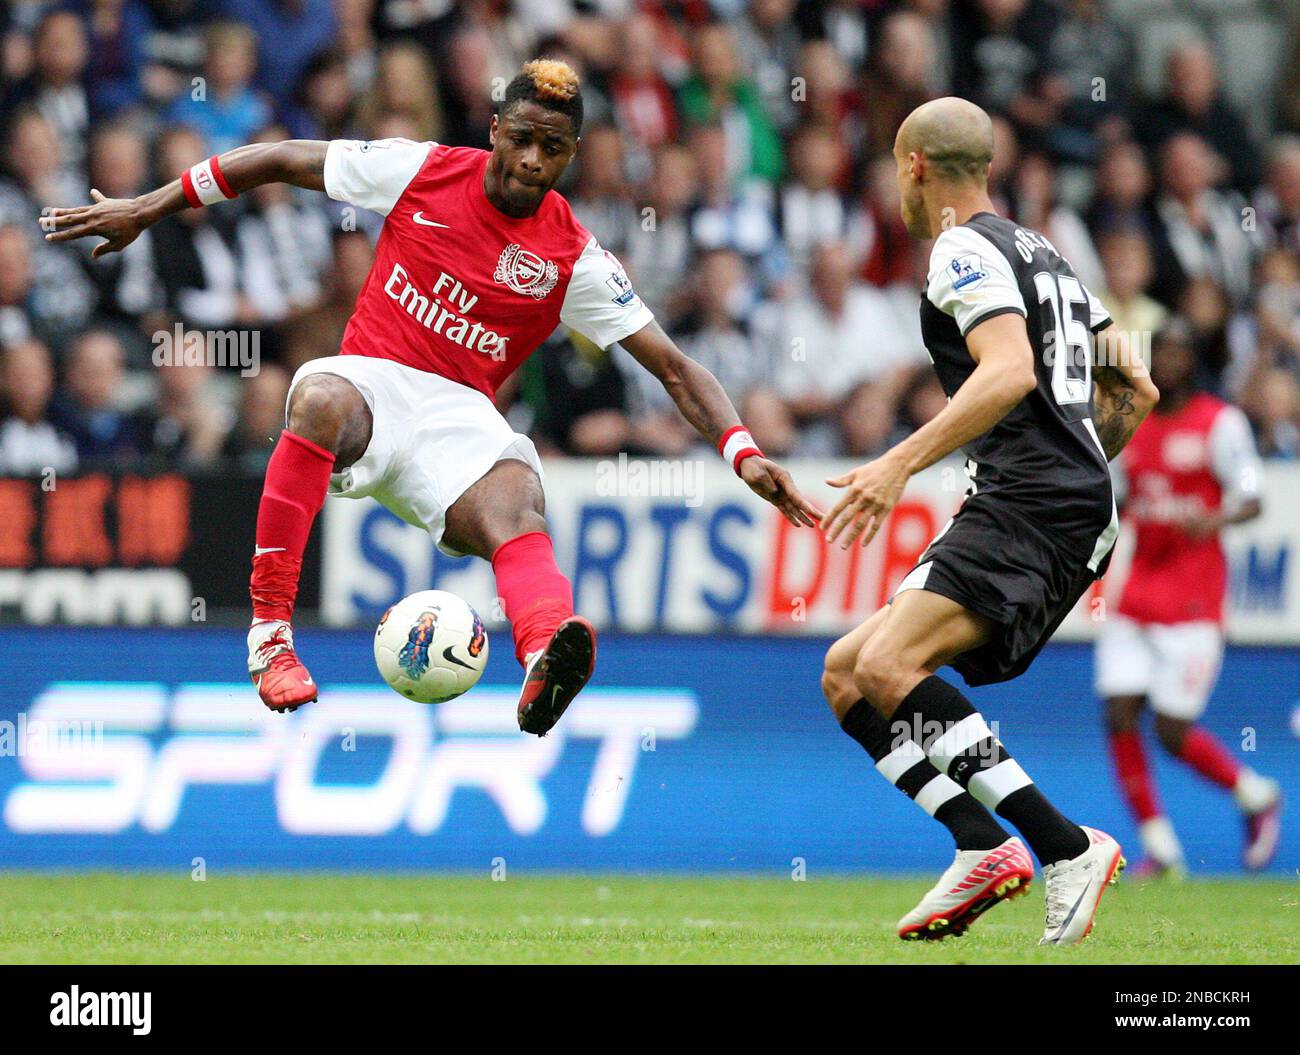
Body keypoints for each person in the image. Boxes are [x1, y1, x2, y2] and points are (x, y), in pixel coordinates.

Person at [44, 59, 819, 734]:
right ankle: (270, 633)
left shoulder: (573, 256)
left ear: (571, 155)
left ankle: (546, 649)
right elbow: (278, 158)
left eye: (552, 149)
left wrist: (743, 452)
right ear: (494, 128)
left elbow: (676, 367)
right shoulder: (420, 169)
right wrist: (145, 207)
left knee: (517, 499)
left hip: (461, 416)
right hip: (376, 379)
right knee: (315, 397)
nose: (530, 160)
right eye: (521, 137)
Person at [818, 97, 1159, 945]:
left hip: (1030, 496)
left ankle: (1064, 845)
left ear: (914, 166)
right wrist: (1083, 479)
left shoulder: (959, 248)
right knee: (848, 671)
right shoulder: (1045, 250)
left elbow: (1005, 372)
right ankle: (980, 843)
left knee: (892, 662)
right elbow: (1137, 389)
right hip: (1055, 495)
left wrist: (897, 463)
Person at [1096, 319, 1282, 876]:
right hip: (1139, 593)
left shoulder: (1220, 423)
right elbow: (1124, 495)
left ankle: (1254, 794)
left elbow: (1253, 497)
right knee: (1118, 711)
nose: (1171, 361)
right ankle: (1161, 848)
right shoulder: (1135, 421)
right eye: (1163, 351)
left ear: (1195, 357)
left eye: (1181, 350)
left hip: (1194, 601)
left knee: (1171, 730)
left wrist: (1217, 516)